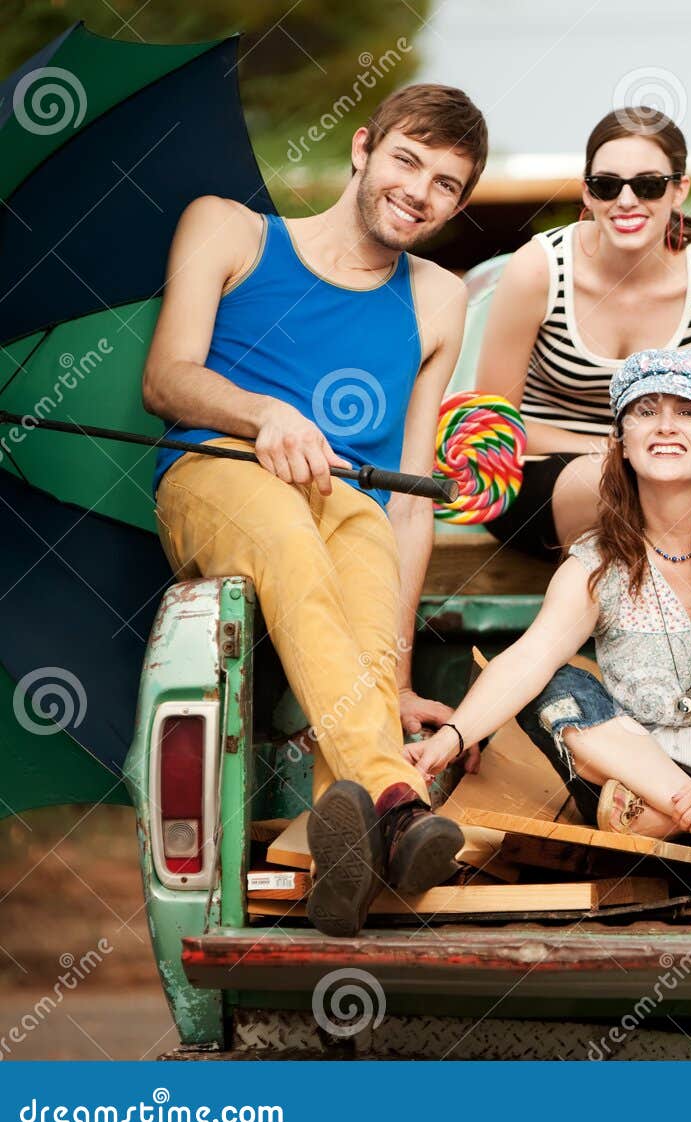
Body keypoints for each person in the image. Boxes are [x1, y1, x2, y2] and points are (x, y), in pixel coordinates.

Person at [144, 84, 489, 937]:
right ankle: (397, 798)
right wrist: (265, 413)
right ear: (362, 147)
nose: (419, 191)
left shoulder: (440, 297)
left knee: (366, 534)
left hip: (346, 499)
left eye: (446, 184)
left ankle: (354, 850)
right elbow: (166, 378)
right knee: (291, 537)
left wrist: (397, 679)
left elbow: (410, 501)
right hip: (216, 470)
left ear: (457, 205)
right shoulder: (229, 228)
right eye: (407, 160)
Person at [406, 349, 691, 849]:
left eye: (688, 411)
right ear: (621, 441)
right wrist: (452, 738)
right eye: (646, 411)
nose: (665, 426)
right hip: (639, 771)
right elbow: (529, 659)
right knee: (548, 683)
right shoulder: (597, 561)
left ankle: (681, 820)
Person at [474, 108, 691, 562]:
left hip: (673, 471)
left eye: (648, 185)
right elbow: (492, 421)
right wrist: (618, 449)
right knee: (617, 484)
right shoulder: (539, 270)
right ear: (587, 192)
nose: (626, 200)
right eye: (607, 185)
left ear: (679, 190)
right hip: (543, 474)